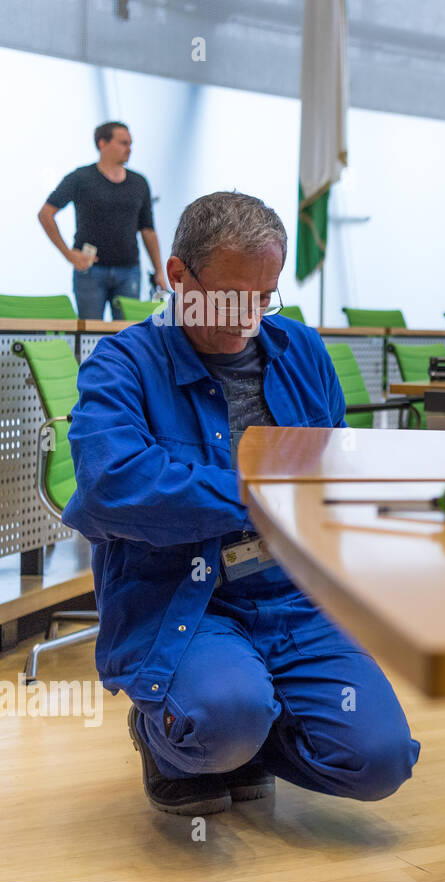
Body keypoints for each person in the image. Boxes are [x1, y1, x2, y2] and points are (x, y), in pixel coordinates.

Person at [61, 191, 420, 815]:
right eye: (231, 295)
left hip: (291, 596)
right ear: (177, 275)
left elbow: (327, 478)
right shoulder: (122, 364)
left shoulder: (302, 352)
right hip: (180, 595)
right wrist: (262, 497)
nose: (247, 317)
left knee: (380, 759)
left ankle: (241, 734)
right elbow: (110, 486)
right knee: (222, 717)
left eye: (265, 296)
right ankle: (174, 736)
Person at [38, 121, 167, 320]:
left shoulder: (139, 183)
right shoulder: (80, 178)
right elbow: (46, 214)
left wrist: (159, 270)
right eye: (123, 143)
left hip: (129, 271)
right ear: (102, 143)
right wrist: (68, 254)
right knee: (89, 334)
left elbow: (148, 230)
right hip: (90, 271)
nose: (129, 148)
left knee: (128, 335)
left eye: (130, 143)